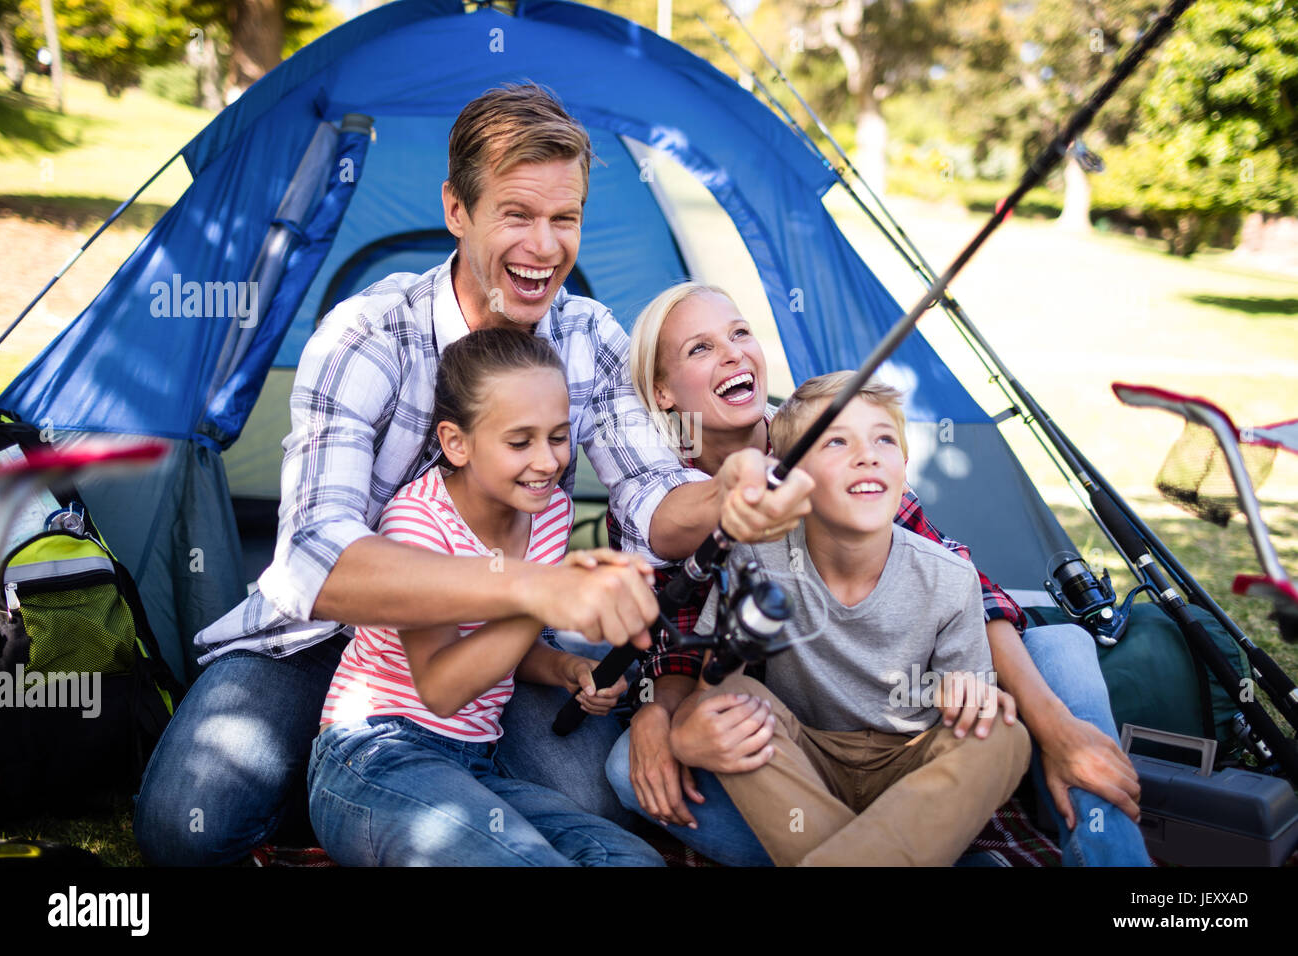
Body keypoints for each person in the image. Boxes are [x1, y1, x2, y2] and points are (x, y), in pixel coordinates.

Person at [133, 85, 812, 866]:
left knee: (593, 801)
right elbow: (317, 561)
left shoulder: (587, 336)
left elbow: (654, 497)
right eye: (517, 215)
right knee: (185, 826)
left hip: (489, 652)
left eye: (565, 219)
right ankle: (358, 784)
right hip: (322, 641)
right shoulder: (367, 334)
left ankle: (406, 802)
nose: (545, 247)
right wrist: (533, 588)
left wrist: (725, 492)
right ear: (457, 209)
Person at [605, 281, 1151, 866]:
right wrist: (666, 714)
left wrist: (1057, 728)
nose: (733, 353)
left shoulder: (831, 434)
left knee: (1059, 650)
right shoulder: (655, 495)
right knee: (628, 768)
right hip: (798, 733)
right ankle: (919, 846)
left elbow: (970, 590)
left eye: (740, 333)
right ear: (661, 391)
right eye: (701, 348)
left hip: (901, 724)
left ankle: (1104, 855)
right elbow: (681, 645)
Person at [308, 328, 662, 866]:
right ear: (457, 443)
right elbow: (442, 687)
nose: (548, 462)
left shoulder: (550, 513)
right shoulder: (418, 523)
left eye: (558, 437)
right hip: (376, 754)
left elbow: (505, 648)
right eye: (520, 442)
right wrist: (544, 597)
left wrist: (569, 668)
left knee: (633, 860)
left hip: (475, 763)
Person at [696, 373, 1031, 865]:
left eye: (884, 440)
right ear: (792, 480)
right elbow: (713, 687)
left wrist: (964, 691)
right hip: (806, 764)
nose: (867, 455)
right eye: (837, 441)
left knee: (1003, 731)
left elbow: (967, 698)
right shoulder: (756, 560)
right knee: (734, 699)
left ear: (905, 466)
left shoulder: (951, 575)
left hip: (914, 768)